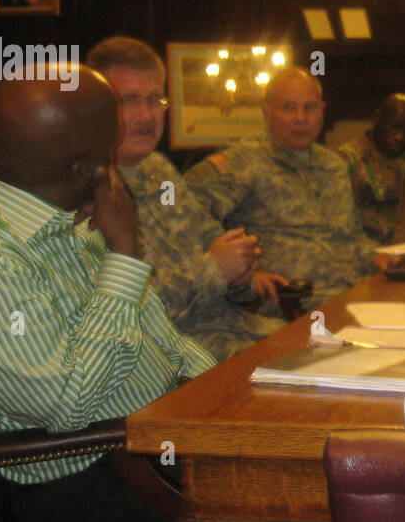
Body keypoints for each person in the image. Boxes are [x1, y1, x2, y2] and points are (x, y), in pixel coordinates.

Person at [0, 66, 214, 522]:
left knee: (321, 448)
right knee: (318, 498)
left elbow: (151, 332)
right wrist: (126, 255)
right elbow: (67, 404)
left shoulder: (48, 201)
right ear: (82, 170)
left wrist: (211, 388)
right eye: (109, 153)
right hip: (94, 475)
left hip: (154, 437)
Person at [90, 36, 285, 360]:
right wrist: (214, 270)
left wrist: (242, 268)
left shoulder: (159, 170)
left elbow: (209, 239)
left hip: (240, 332)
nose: (146, 116)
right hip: (175, 360)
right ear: (97, 106)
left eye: (155, 100)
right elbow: (122, 315)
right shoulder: (84, 190)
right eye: (128, 101)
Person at [185, 67, 385, 317]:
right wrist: (240, 271)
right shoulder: (244, 161)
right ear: (267, 115)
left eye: (310, 107)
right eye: (288, 108)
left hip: (354, 290)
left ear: (322, 111)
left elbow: (349, 236)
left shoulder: (333, 164)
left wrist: (377, 255)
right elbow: (182, 209)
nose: (301, 118)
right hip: (293, 303)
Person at [337, 93, 405, 244]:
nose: (400, 137)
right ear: (375, 120)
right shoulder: (346, 161)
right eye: (393, 128)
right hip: (374, 256)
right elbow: (349, 221)